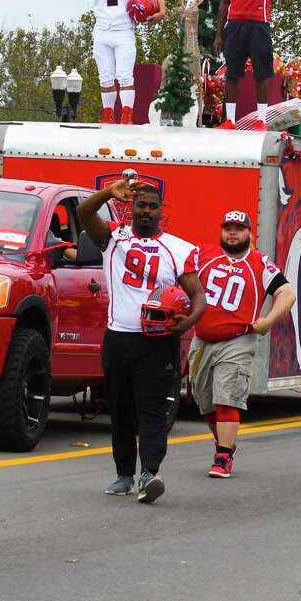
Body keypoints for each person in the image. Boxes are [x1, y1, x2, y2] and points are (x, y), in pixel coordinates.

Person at [77, 177, 206, 504]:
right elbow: (82, 213)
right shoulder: (113, 238)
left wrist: (187, 322)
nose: (146, 211)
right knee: (120, 409)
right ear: (131, 208)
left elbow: (197, 295)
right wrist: (107, 193)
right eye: (141, 206)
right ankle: (123, 475)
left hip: (158, 340)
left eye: (152, 206)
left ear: (161, 211)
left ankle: (150, 473)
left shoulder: (177, 248)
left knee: (150, 410)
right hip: (119, 337)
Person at [188, 210, 295, 478]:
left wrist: (268, 320)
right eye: (228, 227)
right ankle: (225, 443)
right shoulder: (204, 255)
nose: (233, 232)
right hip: (202, 340)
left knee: (227, 395)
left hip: (238, 338)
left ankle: (223, 457)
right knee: (205, 401)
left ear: (249, 232)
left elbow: (287, 292)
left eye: (239, 228)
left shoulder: (259, 262)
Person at [61, 0, 165, 125]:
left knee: (125, 75)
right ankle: (108, 115)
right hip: (102, 30)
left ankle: (126, 116)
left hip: (124, 29)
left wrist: (162, 10)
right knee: (106, 77)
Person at [214, 0, 283, 131]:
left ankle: (261, 120)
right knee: (232, 73)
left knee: (262, 73)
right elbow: (225, 2)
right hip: (235, 25)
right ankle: (230, 120)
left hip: (258, 24)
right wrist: (218, 34)